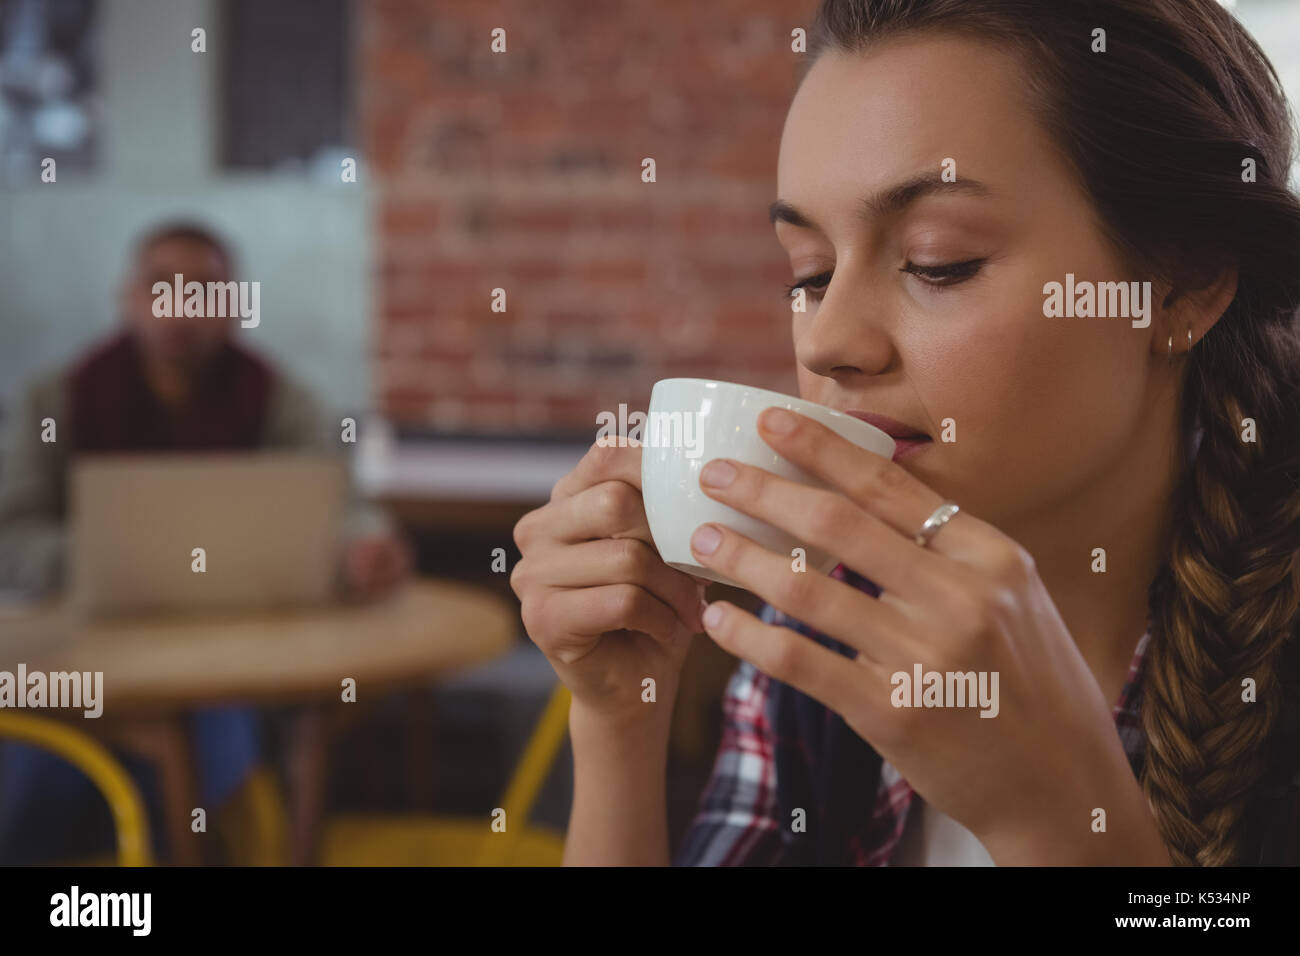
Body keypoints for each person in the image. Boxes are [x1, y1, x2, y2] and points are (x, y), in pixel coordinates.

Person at [510, 0, 1300, 866]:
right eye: (809, 274)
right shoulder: (819, 627)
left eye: (937, 261)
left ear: (1183, 284)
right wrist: (618, 723)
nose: (825, 341)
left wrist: (1057, 820)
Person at [0, 220, 411, 863]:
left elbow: (342, 507)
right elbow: (10, 531)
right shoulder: (55, 400)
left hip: (228, 664)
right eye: (161, 285)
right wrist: (108, 560)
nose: (181, 306)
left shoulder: (277, 399)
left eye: (205, 288)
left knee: (217, 777)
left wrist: (364, 545)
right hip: (81, 658)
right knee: (33, 779)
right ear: (127, 297)